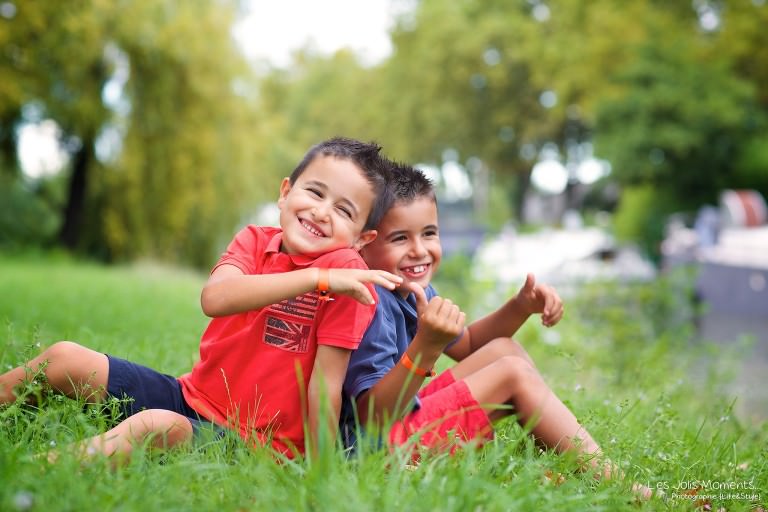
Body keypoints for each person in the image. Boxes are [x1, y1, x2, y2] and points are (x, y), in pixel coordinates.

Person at [0, 137, 402, 461]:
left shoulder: (348, 278)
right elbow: (216, 298)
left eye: (344, 211)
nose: (321, 212)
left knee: (155, 426)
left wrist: (318, 476)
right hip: (191, 397)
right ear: (285, 192)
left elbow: (325, 385)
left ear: (362, 238)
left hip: (258, 446)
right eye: (314, 192)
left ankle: (33, 474)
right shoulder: (254, 241)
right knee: (64, 358)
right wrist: (315, 278)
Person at [341, 164, 651, 496]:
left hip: (399, 422)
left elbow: (469, 344)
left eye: (429, 233)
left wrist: (520, 306)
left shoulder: (412, 291)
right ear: (363, 243)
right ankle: (620, 488)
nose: (419, 250)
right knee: (512, 374)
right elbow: (372, 417)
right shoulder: (369, 301)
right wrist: (425, 347)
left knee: (505, 350)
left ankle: (559, 455)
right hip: (376, 452)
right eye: (400, 238)